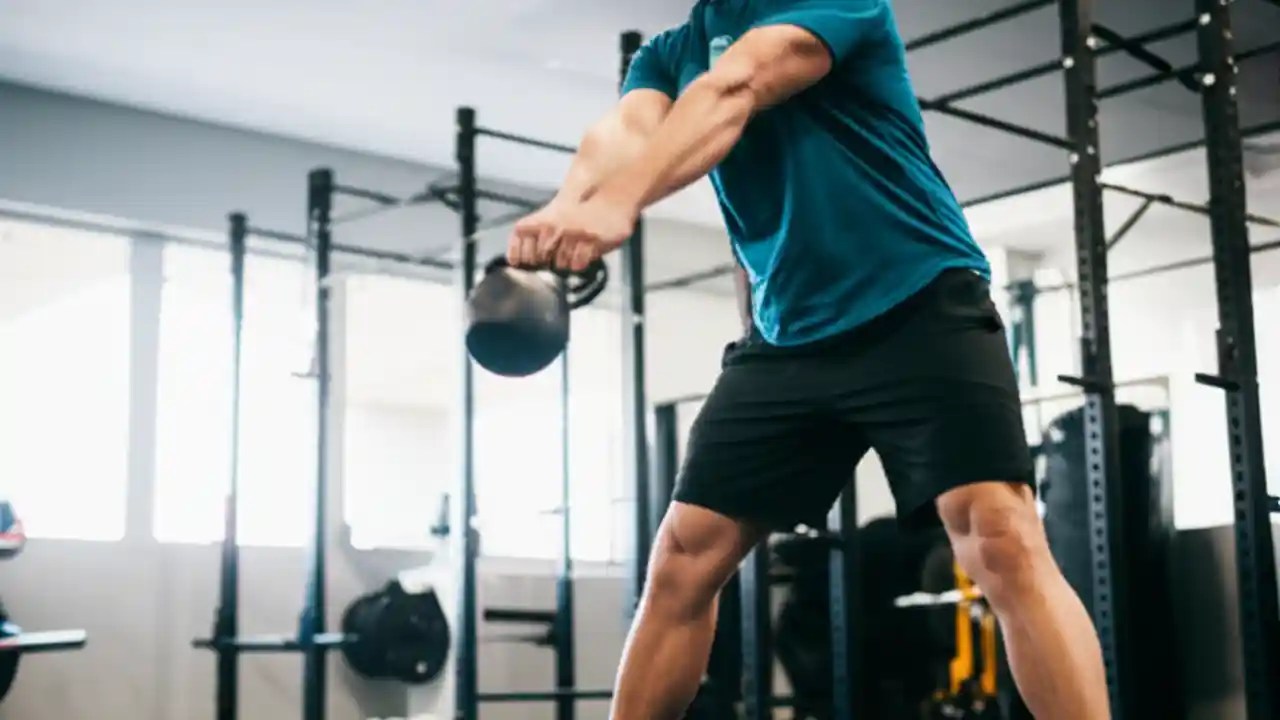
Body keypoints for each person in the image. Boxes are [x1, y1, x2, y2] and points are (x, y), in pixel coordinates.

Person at [506, 1, 1109, 718]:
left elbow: (735, 90)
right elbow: (624, 132)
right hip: (786, 338)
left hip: (917, 303)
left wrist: (623, 203)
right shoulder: (668, 53)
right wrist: (570, 201)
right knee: (681, 561)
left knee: (1001, 539)